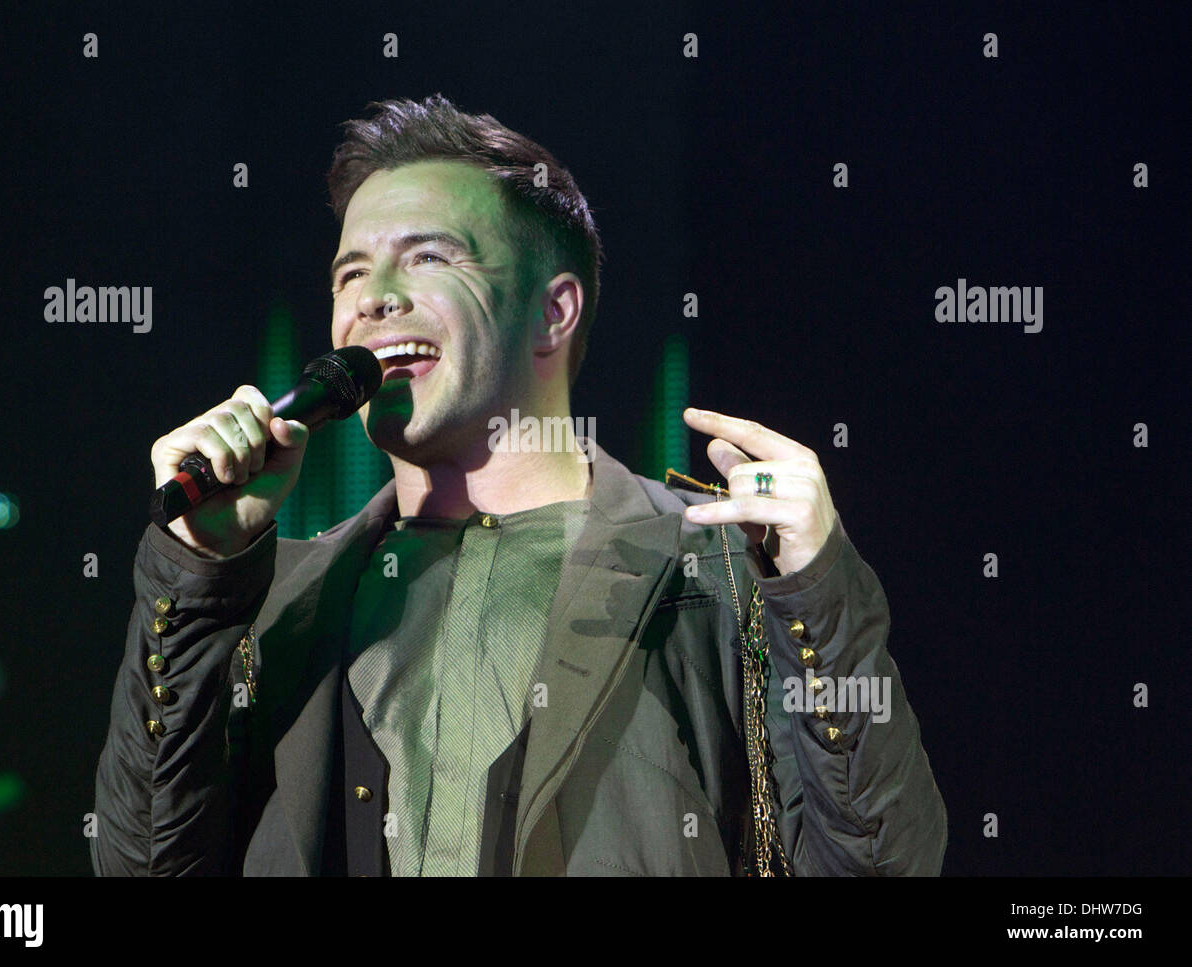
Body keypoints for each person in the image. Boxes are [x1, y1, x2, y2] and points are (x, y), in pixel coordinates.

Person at [91, 94, 947, 876]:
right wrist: (197, 574)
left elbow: (879, 866)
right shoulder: (275, 604)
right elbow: (140, 867)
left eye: (428, 257)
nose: (375, 299)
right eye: (350, 274)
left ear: (554, 310)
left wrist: (820, 593)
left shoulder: (718, 571)